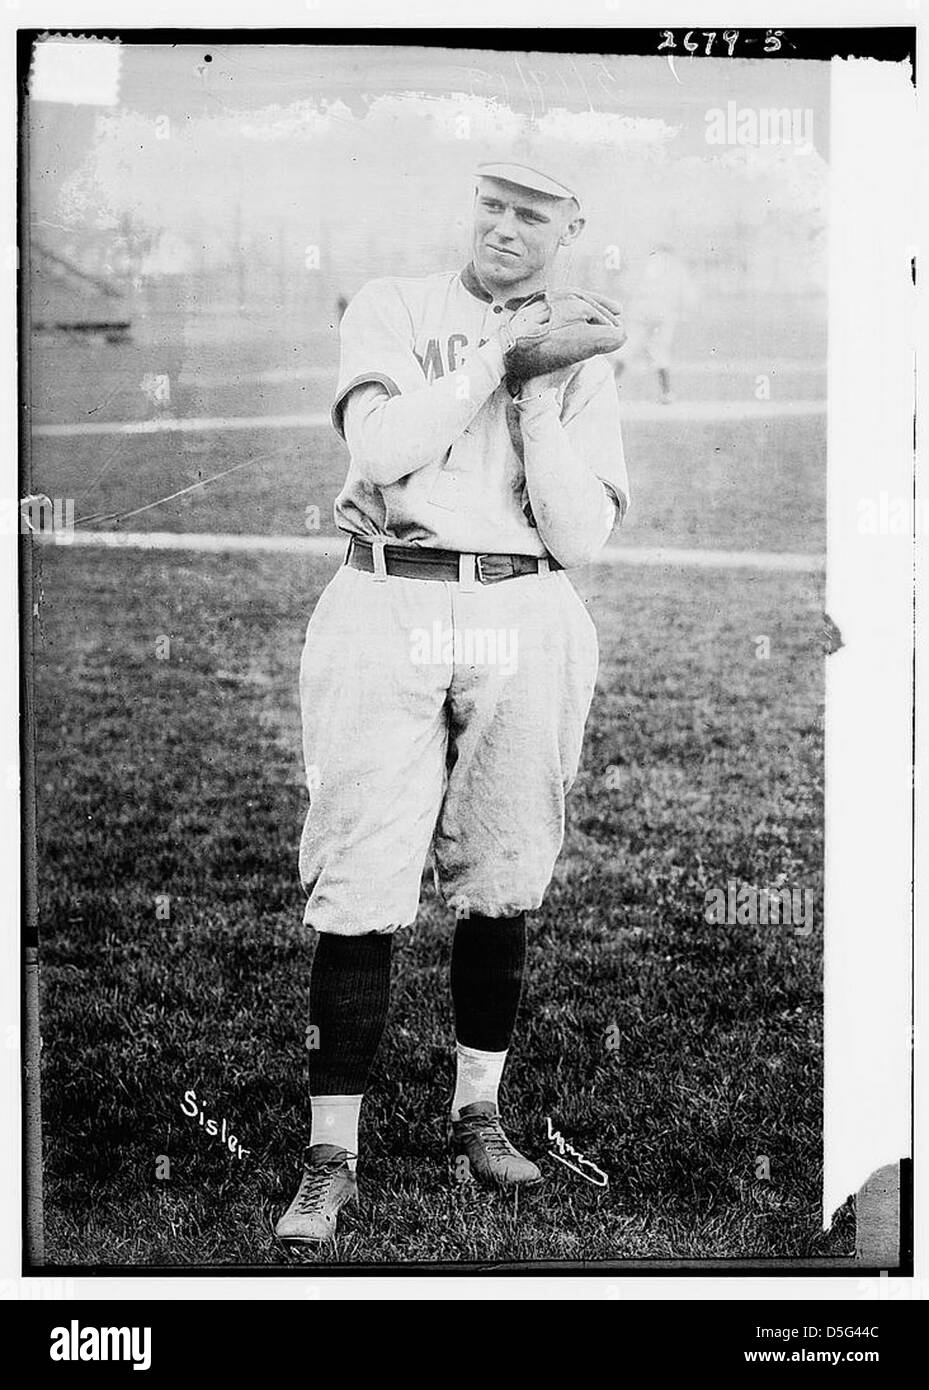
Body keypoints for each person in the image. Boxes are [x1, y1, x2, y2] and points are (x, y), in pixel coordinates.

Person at [275, 161, 630, 1244]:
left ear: (569, 228)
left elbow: (579, 536)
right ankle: (328, 1151)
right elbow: (380, 448)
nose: (506, 228)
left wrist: (532, 394)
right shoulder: (395, 305)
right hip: (386, 597)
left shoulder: (577, 359)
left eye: (533, 215)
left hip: (522, 606)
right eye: (493, 206)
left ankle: (476, 1112)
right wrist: (493, 358)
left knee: (503, 865)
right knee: (359, 871)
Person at [613, 242, 693, 404]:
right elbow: (687, 293)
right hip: (662, 310)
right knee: (659, 350)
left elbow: (625, 284)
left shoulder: (645, 261)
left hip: (641, 308)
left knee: (628, 347)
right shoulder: (675, 265)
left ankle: (607, 389)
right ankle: (666, 393)